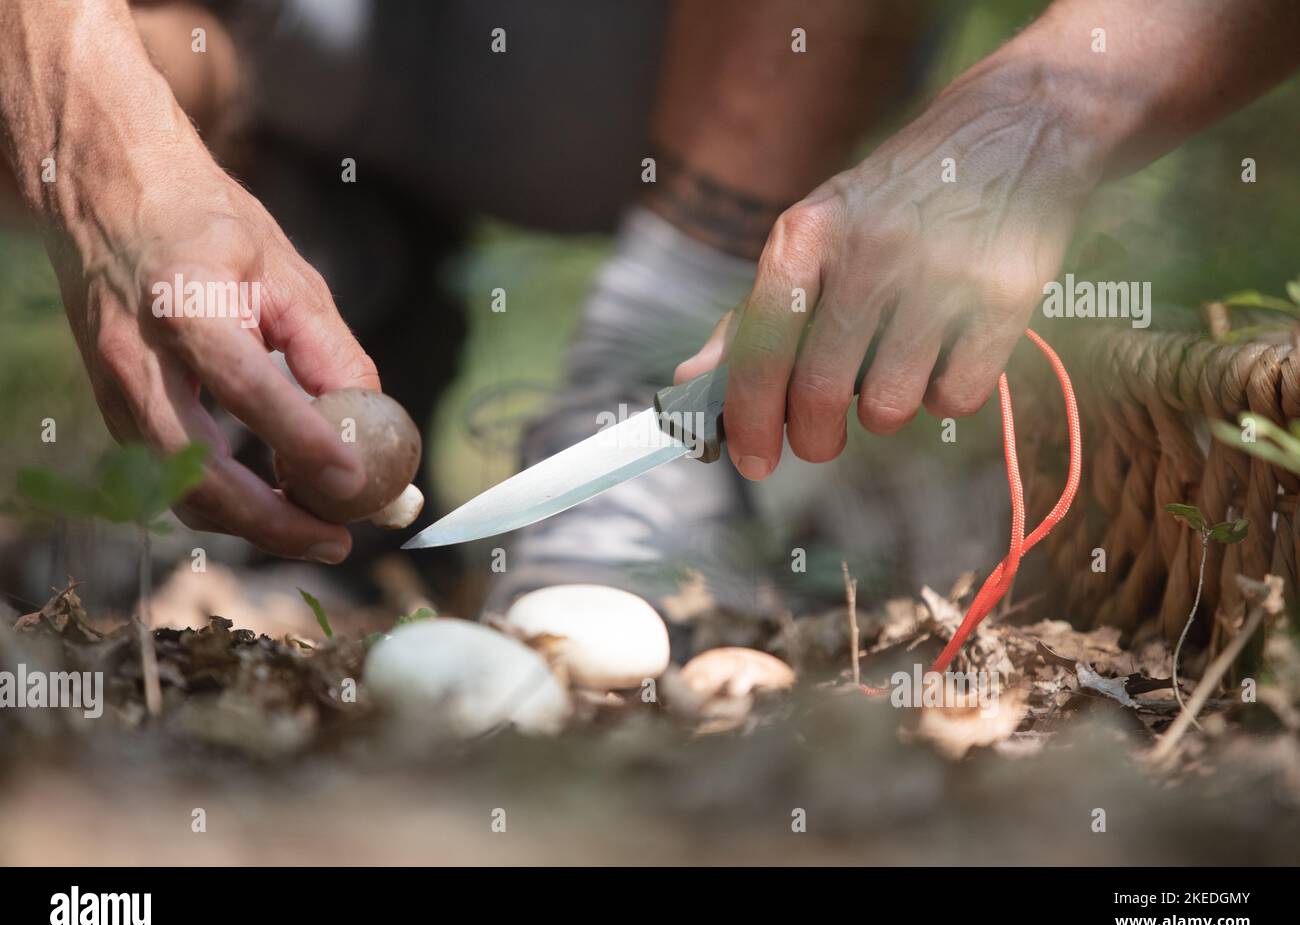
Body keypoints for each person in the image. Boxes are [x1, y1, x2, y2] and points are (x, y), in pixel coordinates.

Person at [2, 0, 1298, 601]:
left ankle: (654, 345)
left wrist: (1046, 109)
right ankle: (332, 264)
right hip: (219, 46)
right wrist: (95, 140)